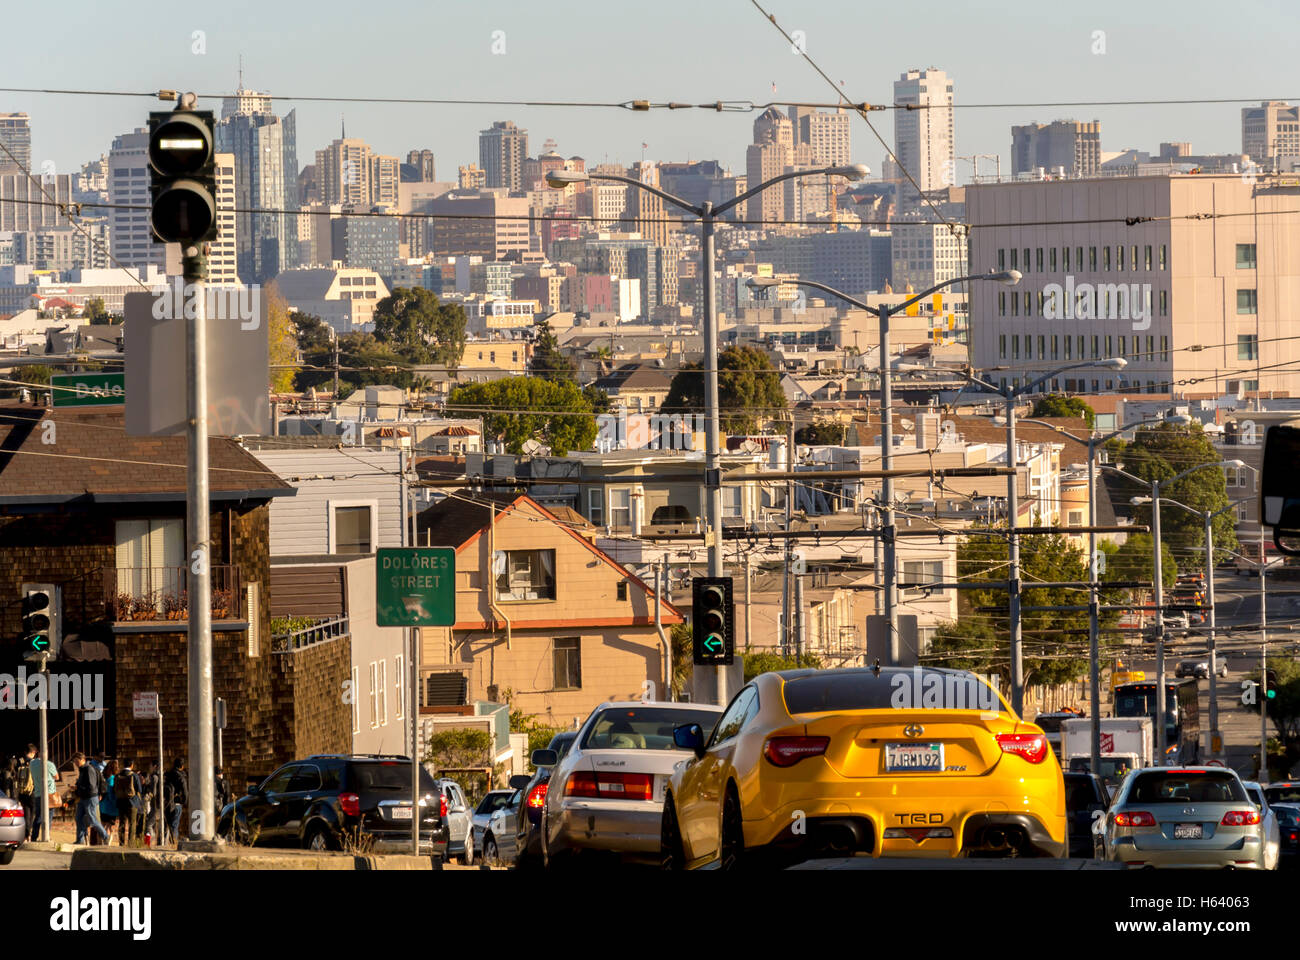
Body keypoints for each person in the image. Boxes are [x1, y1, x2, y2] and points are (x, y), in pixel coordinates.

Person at [72, 752, 108, 845]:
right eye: (74, 761)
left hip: (90, 797)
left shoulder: (88, 769)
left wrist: (78, 787)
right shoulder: (82, 769)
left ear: (83, 760)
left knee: (92, 819)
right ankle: (80, 840)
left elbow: (91, 786)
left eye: (77, 761)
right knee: (78, 818)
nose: (75, 763)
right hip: (83, 797)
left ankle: (105, 836)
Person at [28, 746, 56, 841]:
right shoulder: (49, 764)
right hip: (49, 794)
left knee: (38, 816)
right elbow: (56, 777)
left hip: (38, 793)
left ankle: (34, 837)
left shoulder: (32, 763)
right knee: (49, 815)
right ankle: (46, 836)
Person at [114, 758, 144, 847]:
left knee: (122, 823)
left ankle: (121, 843)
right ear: (132, 765)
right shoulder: (134, 775)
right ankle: (131, 844)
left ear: (123, 765)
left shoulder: (117, 775)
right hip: (132, 802)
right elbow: (139, 789)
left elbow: (114, 789)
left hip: (120, 802)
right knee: (132, 823)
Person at [164, 757, 187, 845]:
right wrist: (184, 801)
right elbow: (184, 790)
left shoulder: (168, 774)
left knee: (168, 825)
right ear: (182, 766)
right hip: (177, 803)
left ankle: (165, 842)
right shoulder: (181, 776)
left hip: (167, 802)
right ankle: (173, 843)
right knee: (175, 825)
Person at [98, 759, 120, 845]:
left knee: (102, 824)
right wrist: (115, 803)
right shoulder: (113, 779)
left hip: (103, 805)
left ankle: (100, 841)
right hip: (110, 805)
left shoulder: (104, 777)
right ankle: (108, 842)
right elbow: (111, 793)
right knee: (110, 826)